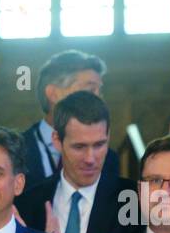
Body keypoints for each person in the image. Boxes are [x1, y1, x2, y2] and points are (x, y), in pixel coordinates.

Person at [15, 91, 139, 233]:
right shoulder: (28, 203)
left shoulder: (134, 199)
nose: (90, 159)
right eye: (79, 147)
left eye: (99, 145)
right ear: (57, 141)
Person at [20, 50, 121, 191]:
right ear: (53, 94)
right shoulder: (14, 151)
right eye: (90, 90)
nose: (98, 100)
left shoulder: (109, 159)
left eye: (100, 92)